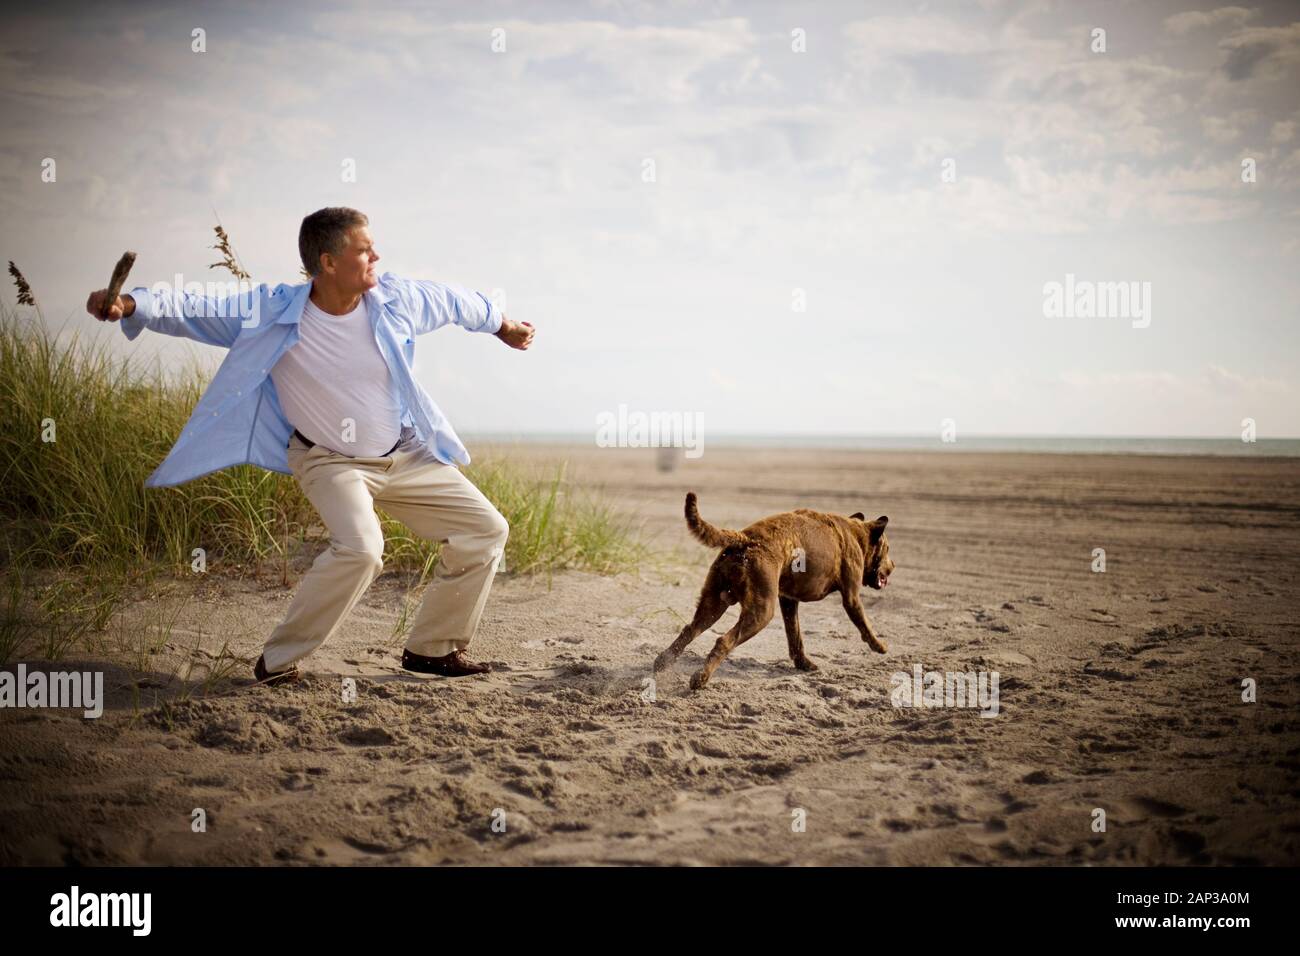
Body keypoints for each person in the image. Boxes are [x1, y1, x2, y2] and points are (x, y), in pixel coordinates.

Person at [86, 206, 534, 684]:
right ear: (328, 262)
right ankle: (277, 661)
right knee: (362, 550)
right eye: (364, 250)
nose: (376, 256)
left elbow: (456, 301)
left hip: (402, 454)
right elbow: (194, 306)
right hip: (328, 460)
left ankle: (433, 650)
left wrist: (502, 325)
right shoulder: (272, 311)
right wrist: (131, 304)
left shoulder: (396, 300)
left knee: (486, 529)